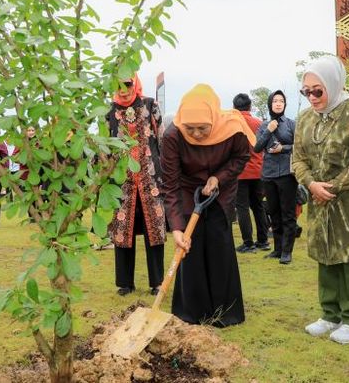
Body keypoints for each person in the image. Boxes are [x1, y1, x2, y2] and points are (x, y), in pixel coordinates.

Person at [292, 56, 349, 345]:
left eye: (318, 90)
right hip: (319, 199)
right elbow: (298, 159)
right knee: (325, 255)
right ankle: (329, 314)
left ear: (333, 83)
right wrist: (311, 185)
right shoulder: (305, 117)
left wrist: (334, 186)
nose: (312, 97)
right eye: (307, 91)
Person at [162, 83, 254, 328]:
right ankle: (191, 313)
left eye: (202, 128)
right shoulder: (172, 135)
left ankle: (225, 313)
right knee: (189, 249)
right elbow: (169, 185)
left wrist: (219, 178)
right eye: (190, 129)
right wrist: (177, 228)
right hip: (186, 190)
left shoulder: (233, 129)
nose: (196, 134)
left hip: (220, 191)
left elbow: (241, 157)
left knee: (219, 244)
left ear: (213, 118)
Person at [106, 74, 166, 296]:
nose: (123, 89)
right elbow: (106, 145)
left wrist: (162, 170)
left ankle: (157, 281)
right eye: (119, 85)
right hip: (122, 180)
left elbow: (160, 139)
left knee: (155, 229)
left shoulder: (150, 105)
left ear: (135, 83)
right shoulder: (109, 111)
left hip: (150, 177)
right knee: (123, 230)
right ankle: (125, 282)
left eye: (128, 84)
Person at [254, 90, 297, 264]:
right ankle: (277, 249)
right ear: (270, 104)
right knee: (273, 212)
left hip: (287, 173)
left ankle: (287, 251)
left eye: (281, 101)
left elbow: (299, 146)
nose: (278, 104)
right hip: (268, 174)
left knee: (288, 213)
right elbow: (257, 148)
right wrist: (269, 130)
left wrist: (283, 148)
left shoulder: (291, 124)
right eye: (275, 101)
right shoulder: (263, 125)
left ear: (285, 104)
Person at [232, 93, 269, 253]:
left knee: (242, 207)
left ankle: (248, 243)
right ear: (250, 107)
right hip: (258, 170)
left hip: (240, 172)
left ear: (235, 107)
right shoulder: (259, 123)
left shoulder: (233, 124)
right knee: (258, 206)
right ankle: (263, 240)